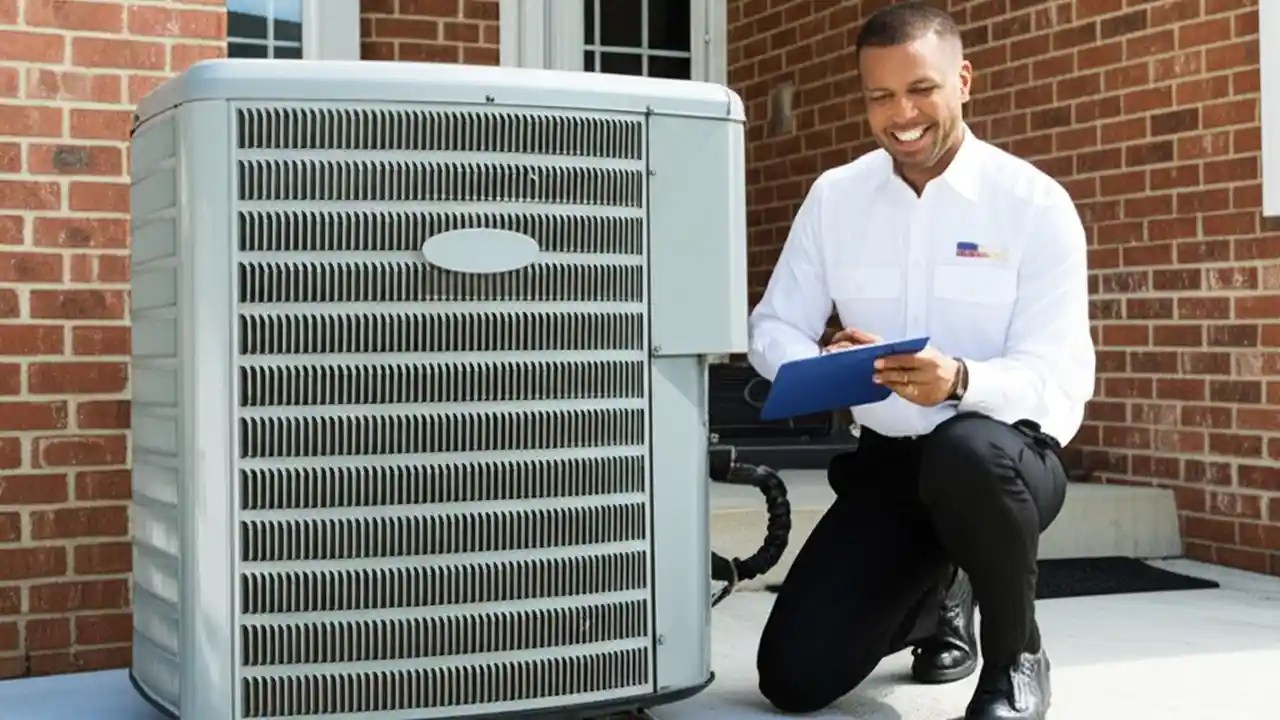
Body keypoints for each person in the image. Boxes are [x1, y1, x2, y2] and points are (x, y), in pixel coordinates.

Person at [745, 2, 1095, 719]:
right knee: (793, 678)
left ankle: (1014, 657)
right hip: (890, 465)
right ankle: (942, 595)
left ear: (963, 80)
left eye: (921, 89)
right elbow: (772, 326)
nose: (900, 113)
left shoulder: (1033, 204)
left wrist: (961, 379)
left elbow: (1057, 377)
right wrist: (821, 365)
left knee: (965, 452)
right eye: (880, 95)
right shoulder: (835, 197)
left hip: (1008, 461)